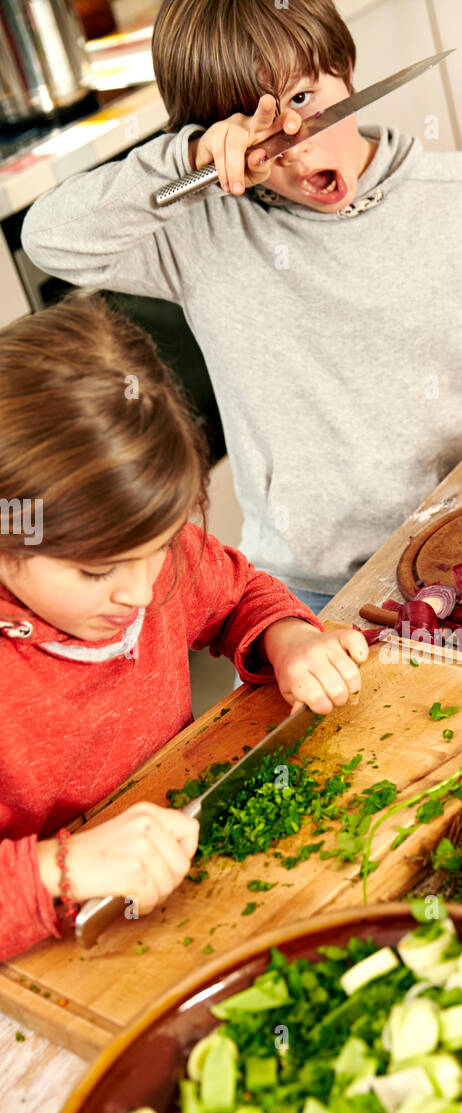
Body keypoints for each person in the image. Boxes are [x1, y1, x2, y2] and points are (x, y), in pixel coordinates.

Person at [21, 0, 462, 615]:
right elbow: (48, 239)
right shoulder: (198, 232)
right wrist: (188, 160)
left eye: (304, 100)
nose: (297, 149)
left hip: (460, 553)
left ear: (346, 70)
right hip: (296, 592)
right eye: (255, 130)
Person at [0, 296, 368, 961]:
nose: (142, 593)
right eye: (97, 572)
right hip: (44, 957)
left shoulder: (145, 558)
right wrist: (64, 870)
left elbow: (234, 596)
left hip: (177, 885)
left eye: (162, 546)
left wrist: (287, 637)